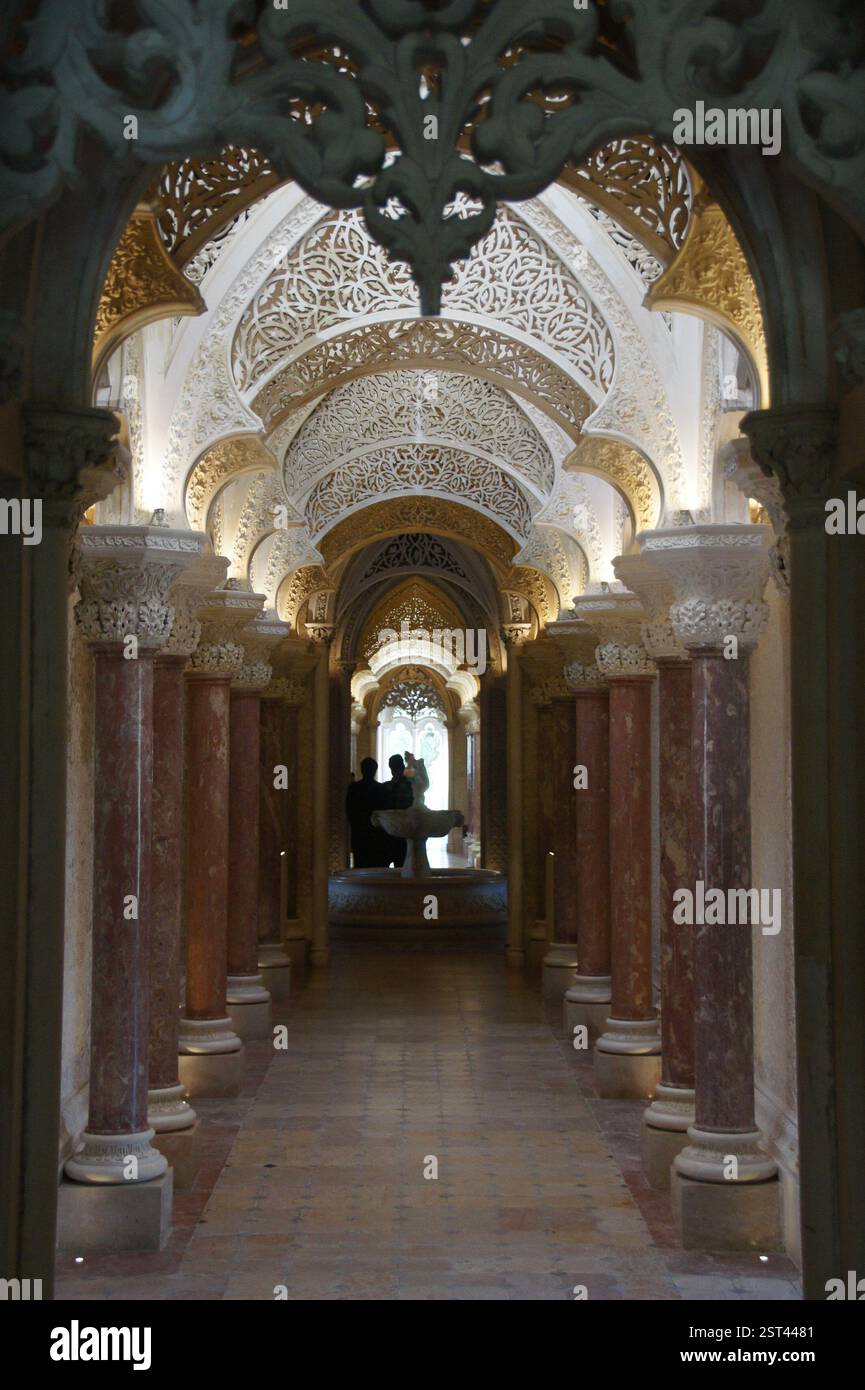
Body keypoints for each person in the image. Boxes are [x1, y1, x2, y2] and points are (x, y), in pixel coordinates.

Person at [345, 758, 392, 868]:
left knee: (361, 869)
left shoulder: (354, 788)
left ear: (362, 770)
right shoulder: (381, 789)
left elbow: (349, 812)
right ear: (375, 771)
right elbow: (385, 814)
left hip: (359, 836)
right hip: (377, 837)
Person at [380, 752, 415, 868]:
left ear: (391, 769)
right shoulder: (411, 785)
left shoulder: (386, 787)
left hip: (390, 830)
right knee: (402, 867)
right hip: (406, 830)